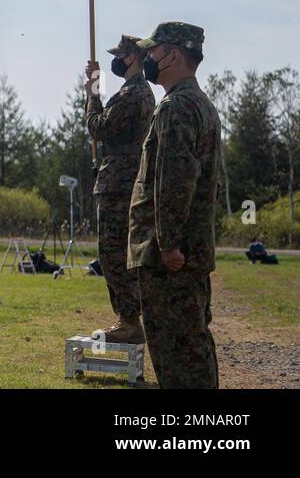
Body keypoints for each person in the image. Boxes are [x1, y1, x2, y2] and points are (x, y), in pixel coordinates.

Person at [128, 22, 221, 389]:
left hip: (170, 259)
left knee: (177, 354)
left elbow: (174, 182)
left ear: (174, 55)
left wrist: (167, 244)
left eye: (153, 52)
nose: (148, 58)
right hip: (187, 251)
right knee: (191, 344)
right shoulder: (199, 104)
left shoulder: (177, 107)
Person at [84, 34, 155, 344]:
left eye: (121, 55)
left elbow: (98, 127)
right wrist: (95, 85)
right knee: (119, 253)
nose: (117, 59)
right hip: (123, 179)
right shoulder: (136, 92)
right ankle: (129, 318)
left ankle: (129, 320)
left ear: (134, 58)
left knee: (112, 253)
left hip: (119, 183)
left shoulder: (133, 94)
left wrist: (92, 93)